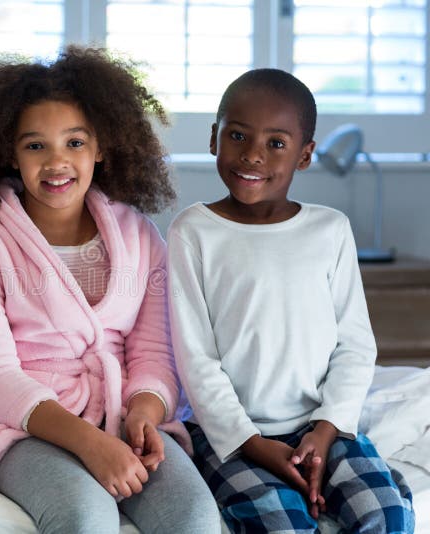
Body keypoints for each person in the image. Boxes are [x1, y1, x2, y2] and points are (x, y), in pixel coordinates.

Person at [0, 46, 219, 534]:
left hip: (121, 414)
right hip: (24, 421)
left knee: (194, 519)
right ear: (9, 152)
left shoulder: (139, 235)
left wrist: (144, 412)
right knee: (84, 516)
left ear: (102, 147)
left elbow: (152, 351)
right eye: (35, 145)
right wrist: (91, 443)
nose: (56, 162)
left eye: (75, 143)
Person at [166, 68, 415, 533]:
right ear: (213, 138)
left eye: (276, 143)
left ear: (304, 156)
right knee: (280, 524)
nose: (253, 155)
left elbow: (355, 346)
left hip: (321, 427)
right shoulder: (192, 231)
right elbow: (194, 358)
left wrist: (324, 431)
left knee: (389, 515)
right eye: (237, 135)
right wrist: (253, 443)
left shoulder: (330, 229)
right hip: (233, 437)